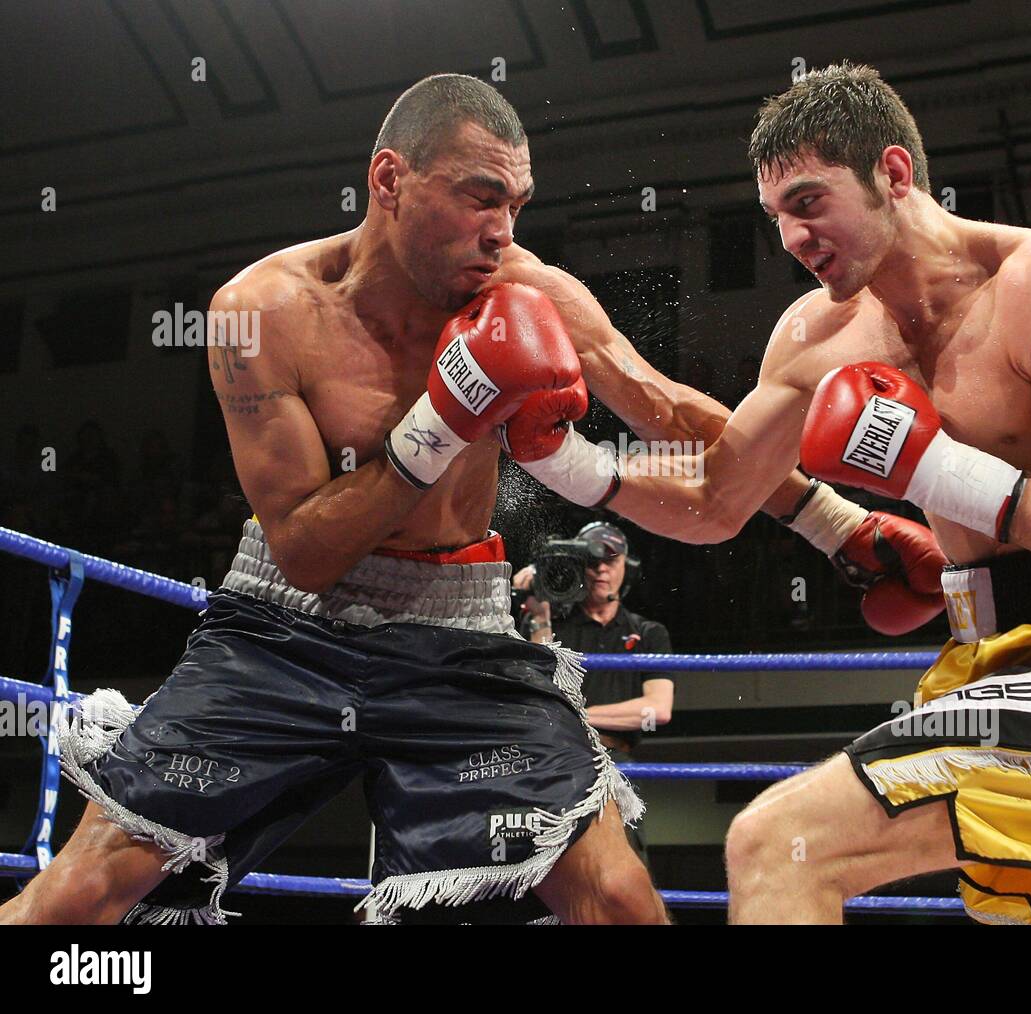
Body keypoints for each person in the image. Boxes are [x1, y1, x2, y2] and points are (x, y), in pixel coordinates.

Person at [1, 72, 871, 927]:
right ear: (389, 180)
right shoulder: (261, 312)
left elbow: (672, 413)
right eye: (481, 197)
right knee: (81, 892)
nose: (502, 233)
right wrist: (443, 420)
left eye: (517, 206)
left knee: (617, 898)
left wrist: (835, 523)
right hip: (284, 629)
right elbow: (306, 549)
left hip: (459, 628)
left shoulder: (529, 291)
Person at [500, 62, 1031, 926]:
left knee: (774, 844)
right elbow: (718, 499)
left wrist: (930, 467)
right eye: (776, 220)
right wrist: (565, 461)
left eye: (808, 202)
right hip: (985, 665)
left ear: (894, 174)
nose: (793, 238)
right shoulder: (815, 332)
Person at [515, 521, 672, 867]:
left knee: (625, 866)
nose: (601, 568)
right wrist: (537, 609)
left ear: (626, 567)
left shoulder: (647, 633)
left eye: (611, 559)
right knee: (549, 865)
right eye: (591, 560)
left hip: (616, 761)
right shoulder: (556, 625)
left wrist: (574, 716)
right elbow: (540, 695)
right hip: (558, 758)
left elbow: (658, 710)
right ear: (577, 567)